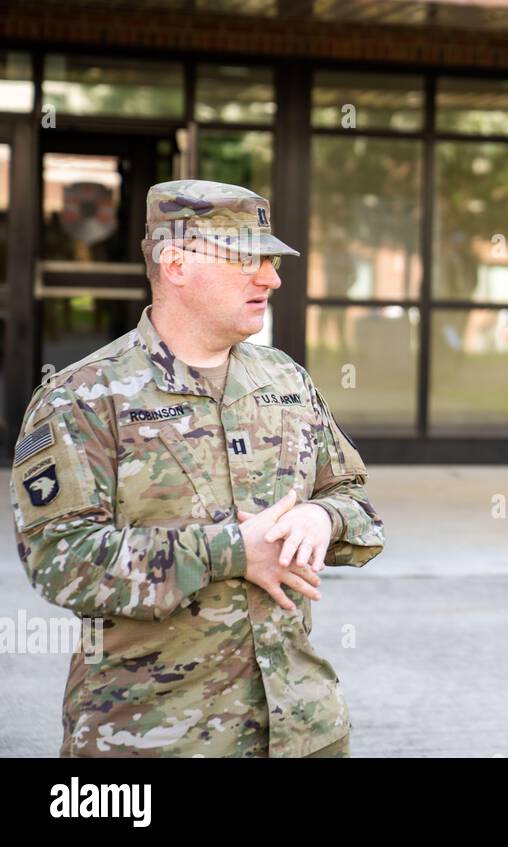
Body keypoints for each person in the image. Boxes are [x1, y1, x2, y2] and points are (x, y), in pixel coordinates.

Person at [10, 179, 385, 757]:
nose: (270, 278)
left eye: (270, 260)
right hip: (152, 736)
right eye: (245, 259)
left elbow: (355, 500)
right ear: (176, 263)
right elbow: (60, 561)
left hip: (302, 730)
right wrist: (233, 549)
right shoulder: (81, 398)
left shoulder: (284, 379)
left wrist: (322, 517)